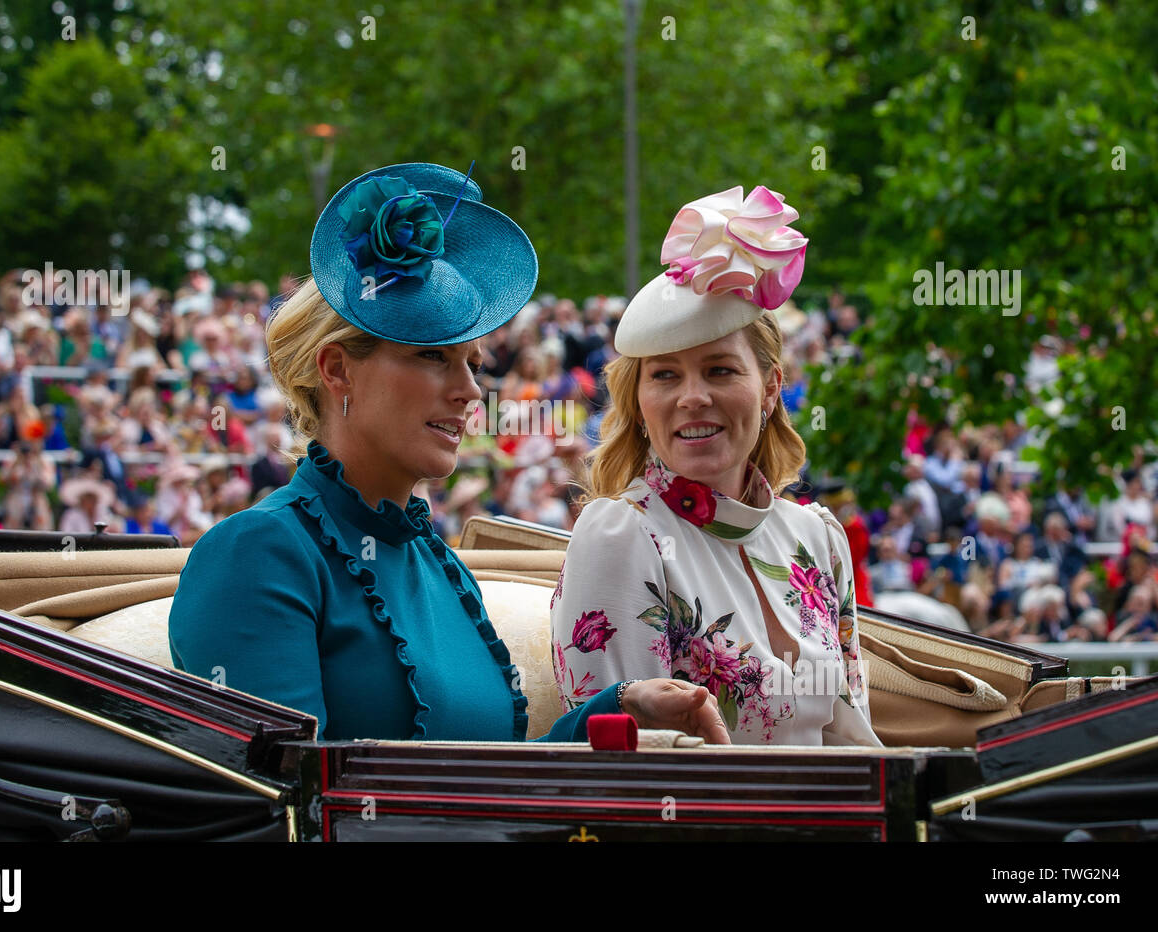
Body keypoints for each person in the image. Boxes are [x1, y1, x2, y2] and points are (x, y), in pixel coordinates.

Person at [169, 162, 728, 744]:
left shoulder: (441, 563)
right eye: (432, 356)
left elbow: (488, 783)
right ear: (338, 371)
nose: (467, 391)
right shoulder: (258, 553)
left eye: (474, 365)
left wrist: (619, 710)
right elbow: (292, 811)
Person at [552, 183, 880, 746]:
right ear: (639, 401)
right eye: (665, 374)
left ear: (770, 387)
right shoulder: (621, 536)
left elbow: (855, 744)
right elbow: (623, 769)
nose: (693, 397)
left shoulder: (818, 537)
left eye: (721, 370)